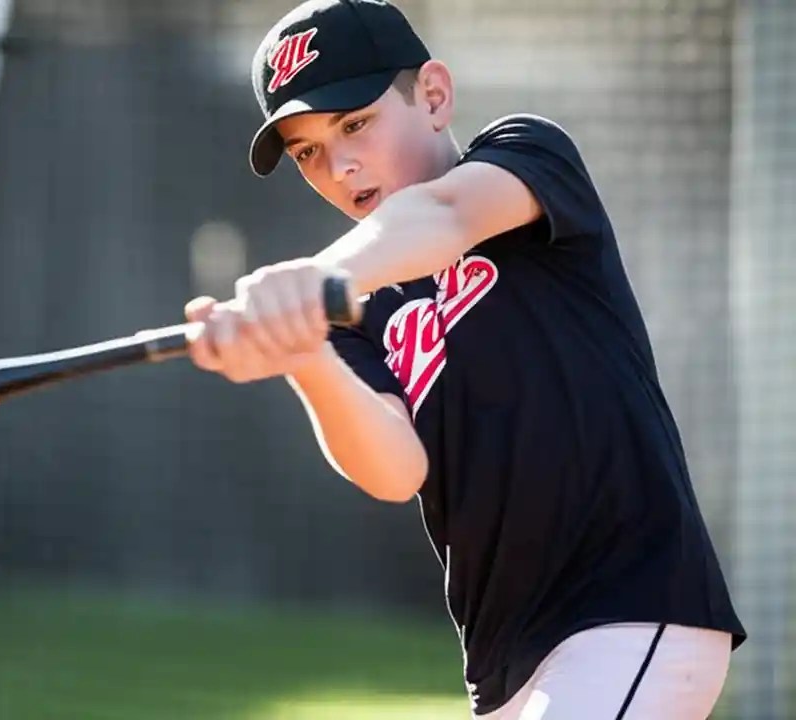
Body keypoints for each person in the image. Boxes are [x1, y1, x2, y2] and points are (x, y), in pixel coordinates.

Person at [183, 1, 748, 717]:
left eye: (354, 122)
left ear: (434, 96)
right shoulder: (353, 312)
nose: (340, 164)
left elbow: (441, 219)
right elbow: (396, 469)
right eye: (307, 153)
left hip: (630, 603)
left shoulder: (524, 160)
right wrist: (305, 353)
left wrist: (305, 286)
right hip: (505, 657)